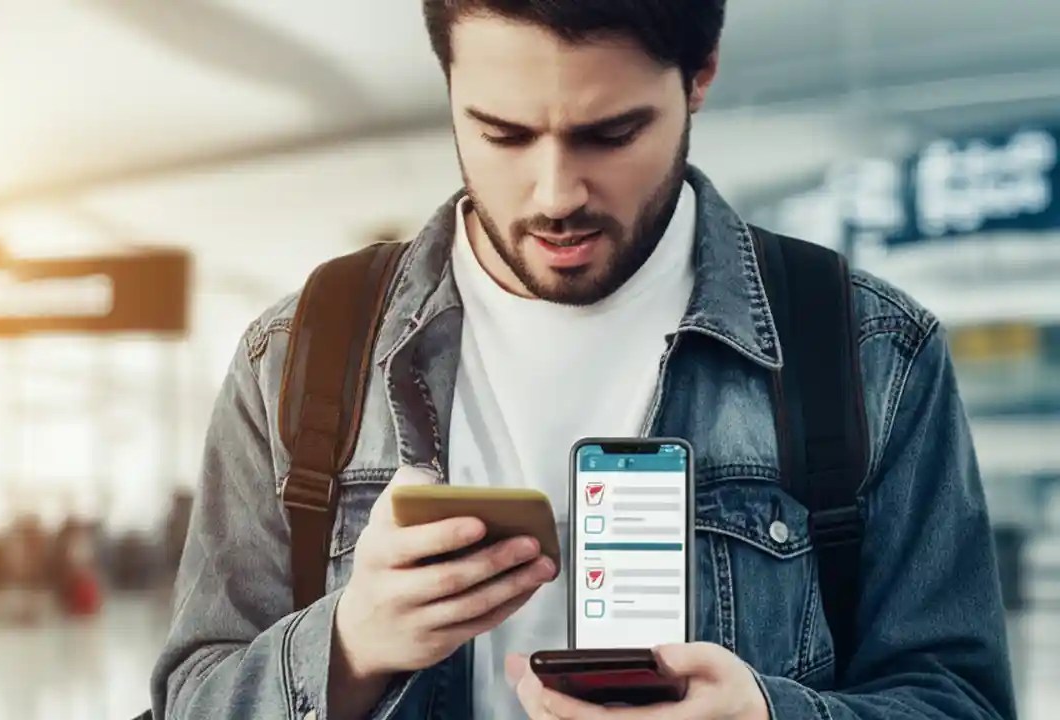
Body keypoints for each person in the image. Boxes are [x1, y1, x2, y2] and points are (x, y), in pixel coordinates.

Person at [150, 2, 1017, 719]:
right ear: (448, 85)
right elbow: (190, 698)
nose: (556, 193)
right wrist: (347, 648)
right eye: (502, 133)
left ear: (701, 76)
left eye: (611, 133)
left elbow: (961, 702)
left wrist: (767, 713)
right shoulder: (298, 354)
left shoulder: (869, 352)